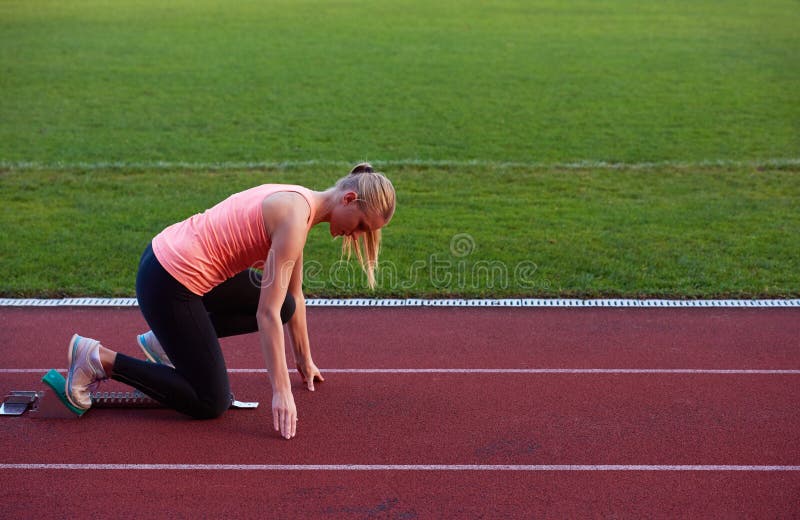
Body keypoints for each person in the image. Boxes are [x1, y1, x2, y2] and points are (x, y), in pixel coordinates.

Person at [64, 163, 396, 439]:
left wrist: (304, 361)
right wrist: (281, 392)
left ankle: (166, 342)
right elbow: (265, 314)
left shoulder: (300, 200)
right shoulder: (295, 221)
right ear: (349, 199)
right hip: (167, 282)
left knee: (286, 306)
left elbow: (293, 295)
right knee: (210, 402)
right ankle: (97, 359)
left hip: (162, 257)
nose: (355, 236)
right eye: (362, 226)